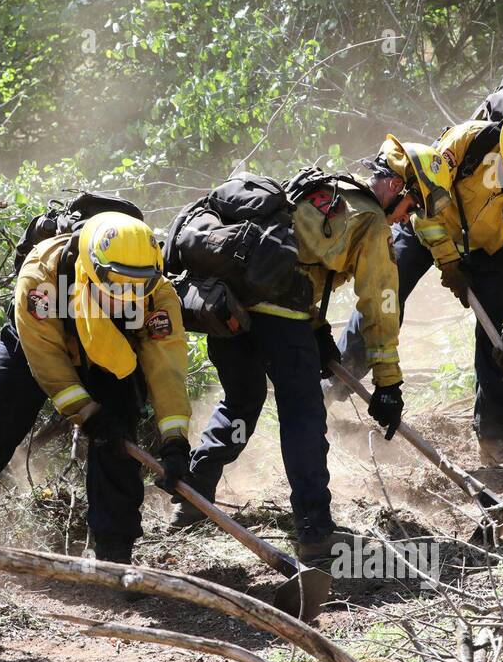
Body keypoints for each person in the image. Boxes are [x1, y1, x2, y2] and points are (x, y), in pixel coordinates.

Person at [170, 147, 448, 560]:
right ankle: (316, 532)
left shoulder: (318, 190)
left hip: (229, 310)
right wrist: (388, 384)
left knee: (242, 401)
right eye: (412, 204)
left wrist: (316, 330)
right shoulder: (370, 220)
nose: (408, 217)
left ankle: (193, 491)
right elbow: (380, 304)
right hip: (280, 317)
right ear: (394, 186)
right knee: (303, 414)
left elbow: (296, 259)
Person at [0, 211, 192, 565]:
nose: (127, 297)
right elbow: (47, 360)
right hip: (33, 350)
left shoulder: (158, 293)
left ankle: (114, 557)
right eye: (116, 284)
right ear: (92, 268)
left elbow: (166, 367)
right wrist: (86, 412)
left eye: (136, 286)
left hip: (109, 358)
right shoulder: (44, 276)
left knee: (118, 445)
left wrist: (174, 439)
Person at [336, 111, 503, 467]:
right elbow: (424, 196)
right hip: (424, 225)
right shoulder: (467, 144)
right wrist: (447, 261)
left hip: (489, 250)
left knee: (500, 343)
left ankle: (494, 438)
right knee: (385, 299)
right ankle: (331, 384)